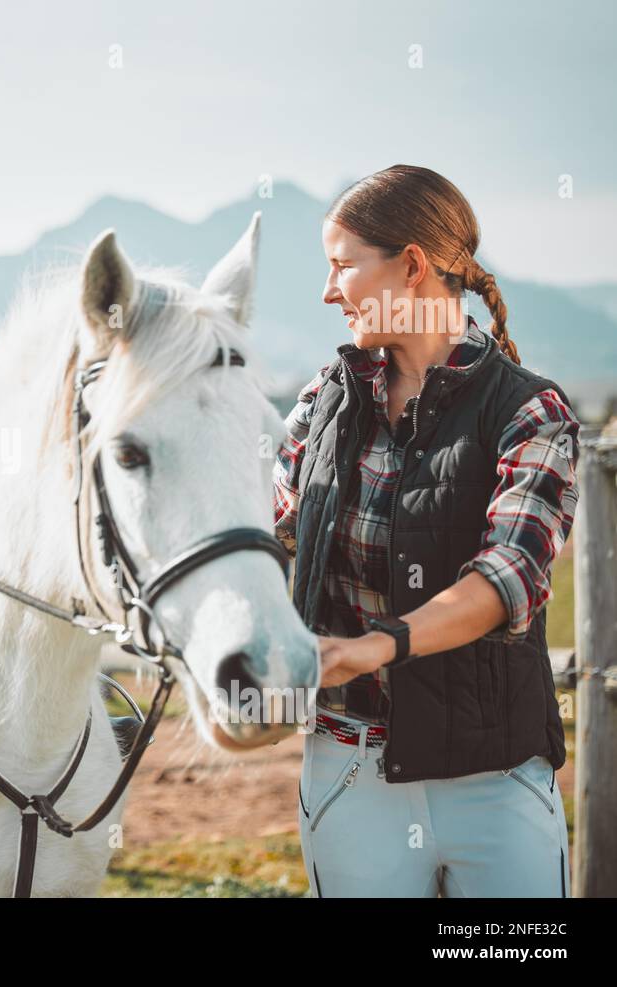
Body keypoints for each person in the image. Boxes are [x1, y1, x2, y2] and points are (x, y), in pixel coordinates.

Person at [273, 165, 580, 896]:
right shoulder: (322, 402)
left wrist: (375, 646)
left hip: (494, 781)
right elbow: (267, 538)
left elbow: (507, 579)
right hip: (347, 771)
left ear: (411, 266)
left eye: (343, 265)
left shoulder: (530, 411)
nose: (327, 290)